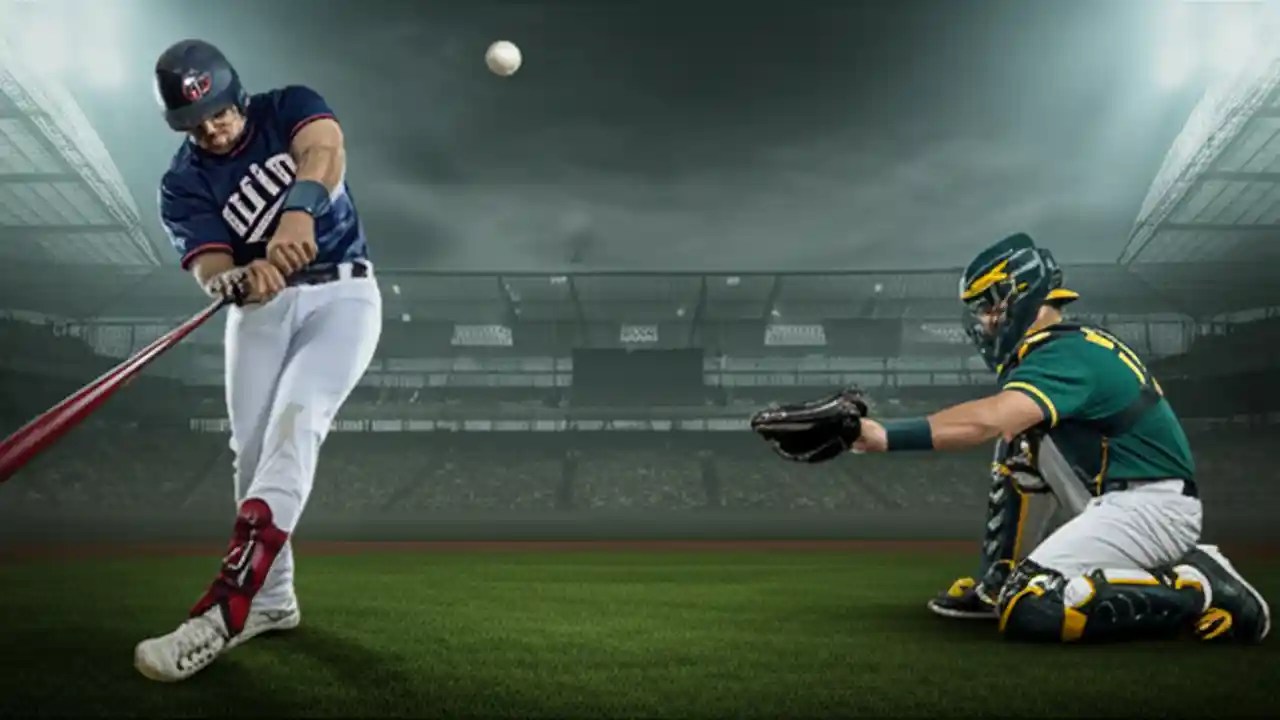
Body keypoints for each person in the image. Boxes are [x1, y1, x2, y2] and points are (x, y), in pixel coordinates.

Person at [856, 233, 1268, 643]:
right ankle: (998, 584)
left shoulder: (1061, 352)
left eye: (988, 304)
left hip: (1148, 506)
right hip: (1118, 495)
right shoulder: (1066, 346)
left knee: (1034, 606)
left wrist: (883, 434)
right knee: (1018, 441)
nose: (982, 321)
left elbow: (988, 420)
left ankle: (1203, 589)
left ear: (1019, 294)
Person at [133, 39, 383, 681]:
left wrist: (299, 213)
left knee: (295, 424)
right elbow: (211, 265)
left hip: (342, 293)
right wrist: (235, 280)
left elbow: (325, 151)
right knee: (250, 450)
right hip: (261, 312)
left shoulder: (287, 106)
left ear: (236, 92)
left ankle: (229, 606)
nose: (212, 128)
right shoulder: (181, 181)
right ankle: (275, 600)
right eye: (194, 122)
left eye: (218, 110)